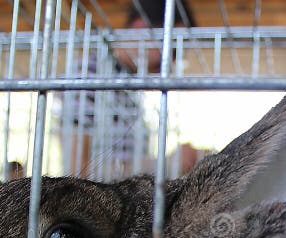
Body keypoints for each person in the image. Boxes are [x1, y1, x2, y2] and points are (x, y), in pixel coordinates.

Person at [61, 0, 196, 180]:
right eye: (172, 49)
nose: (171, 61)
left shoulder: (129, 86)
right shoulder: (90, 73)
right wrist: (164, 165)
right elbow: (76, 170)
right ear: (142, 28)